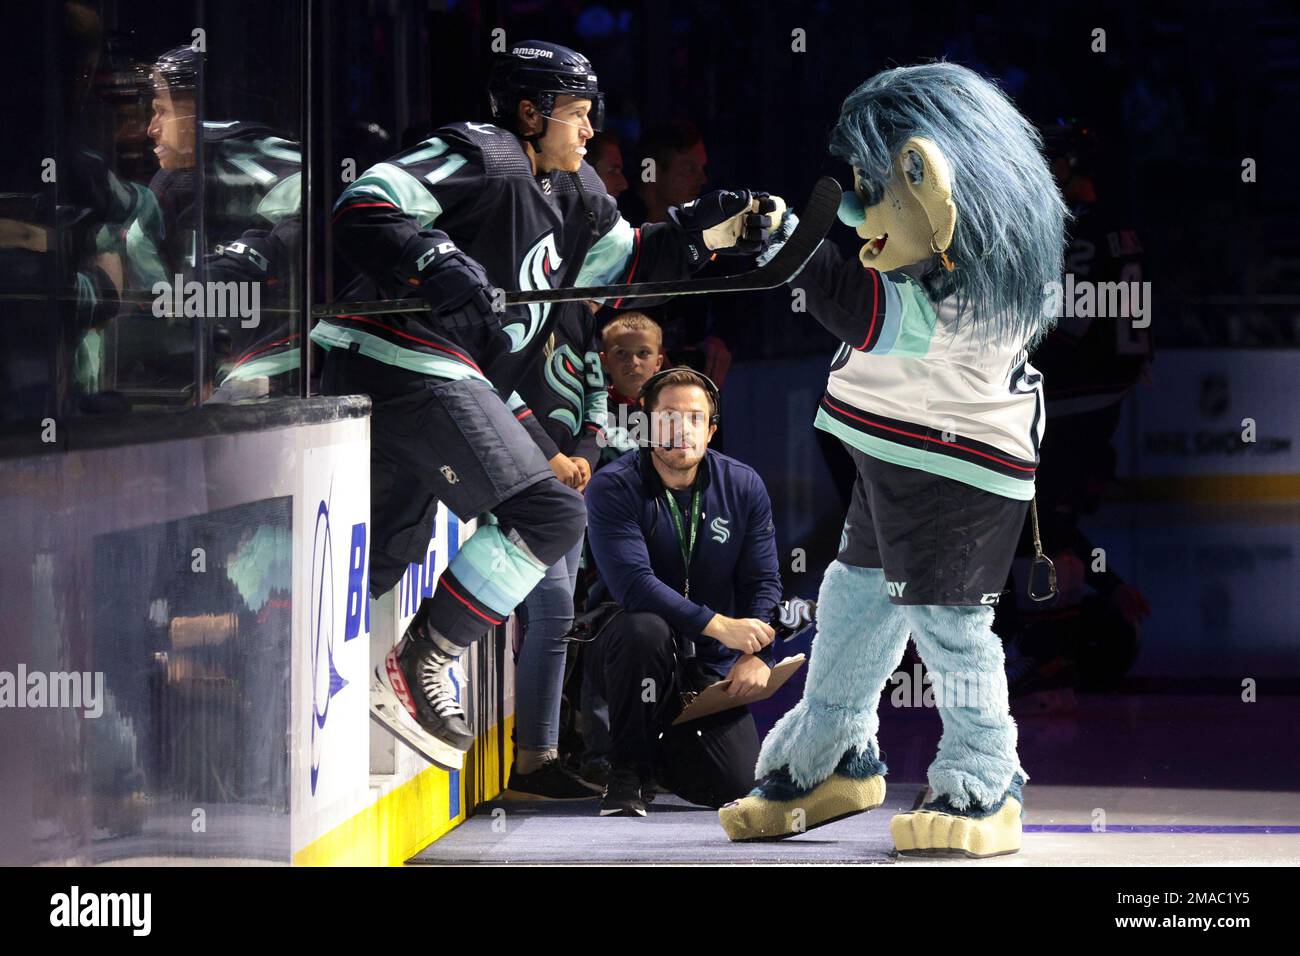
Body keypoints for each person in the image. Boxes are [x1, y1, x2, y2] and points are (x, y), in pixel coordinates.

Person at [311, 40, 787, 764]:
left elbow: (628, 269)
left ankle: (291, 682)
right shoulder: (486, 152)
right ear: (530, 113)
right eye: (577, 114)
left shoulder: (581, 197)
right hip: (398, 356)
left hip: (435, 372)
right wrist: (434, 261)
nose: (590, 131)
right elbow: (364, 204)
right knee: (550, 511)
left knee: (382, 556)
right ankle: (423, 661)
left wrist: (707, 235)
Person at [584, 367, 783, 816]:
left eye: (695, 418)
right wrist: (718, 625)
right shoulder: (613, 486)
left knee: (734, 785)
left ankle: (662, 756)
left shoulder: (743, 484)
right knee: (645, 629)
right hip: (628, 648)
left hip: (708, 666)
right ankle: (627, 770)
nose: (681, 429)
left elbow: (763, 583)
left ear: (711, 430)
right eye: (668, 417)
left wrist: (755, 653)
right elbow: (635, 586)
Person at [505, 300, 608, 798]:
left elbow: (597, 395)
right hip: (518, 475)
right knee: (551, 611)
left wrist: (585, 456)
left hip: (569, 484)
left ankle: (541, 753)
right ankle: (534, 758)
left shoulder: (584, 316)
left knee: (559, 616)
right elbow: (492, 382)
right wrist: (549, 455)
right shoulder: (517, 291)